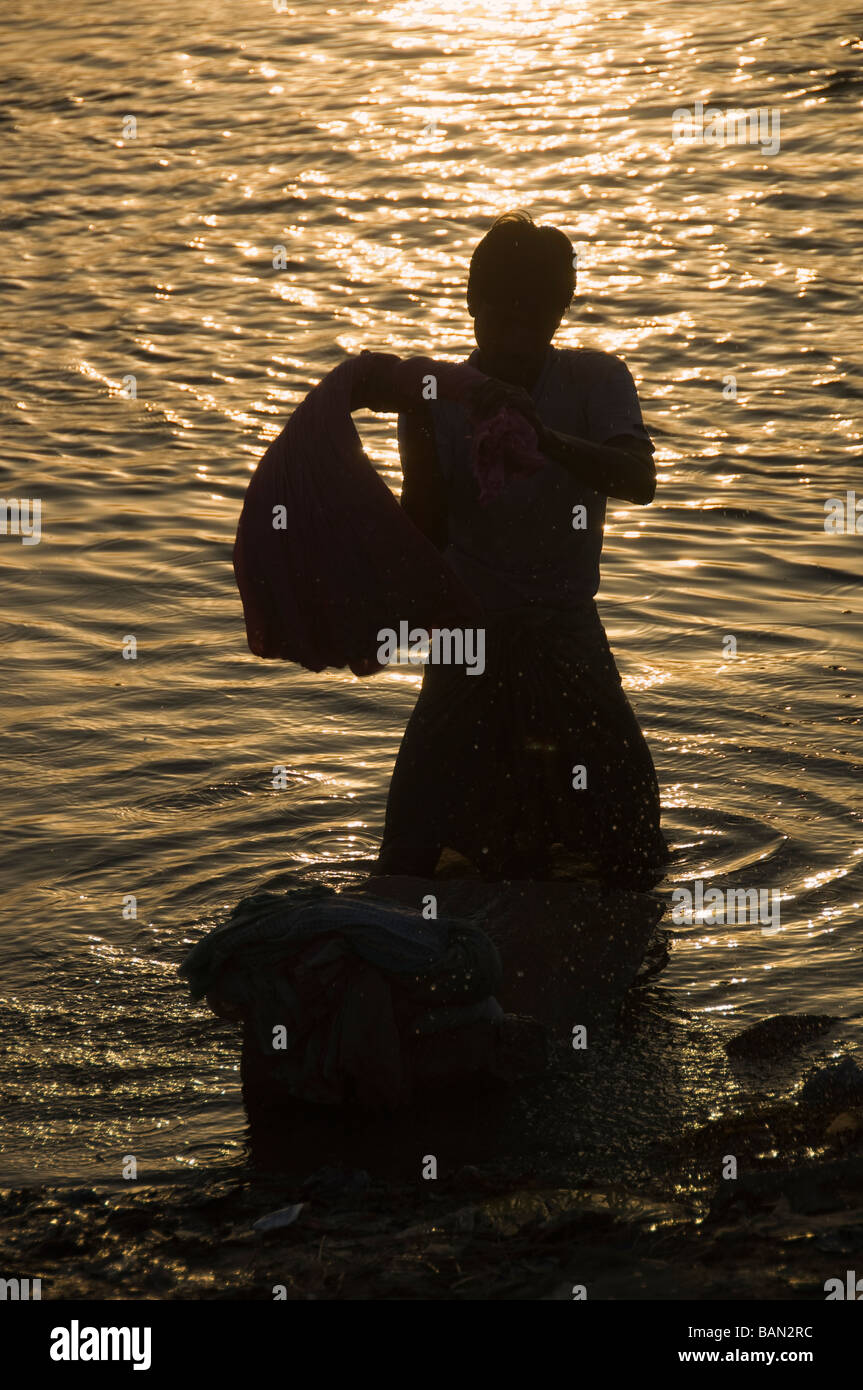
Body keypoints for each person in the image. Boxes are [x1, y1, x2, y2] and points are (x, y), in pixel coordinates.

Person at [371, 210, 669, 888]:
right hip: (466, 630)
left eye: (532, 318)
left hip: (565, 622)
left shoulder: (596, 381)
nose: (513, 336)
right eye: (499, 315)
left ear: (560, 312)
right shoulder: (435, 395)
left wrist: (545, 439)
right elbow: (426, 527)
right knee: (409, 846)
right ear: (470, 306)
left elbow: (639, 479)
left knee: (632, 844)